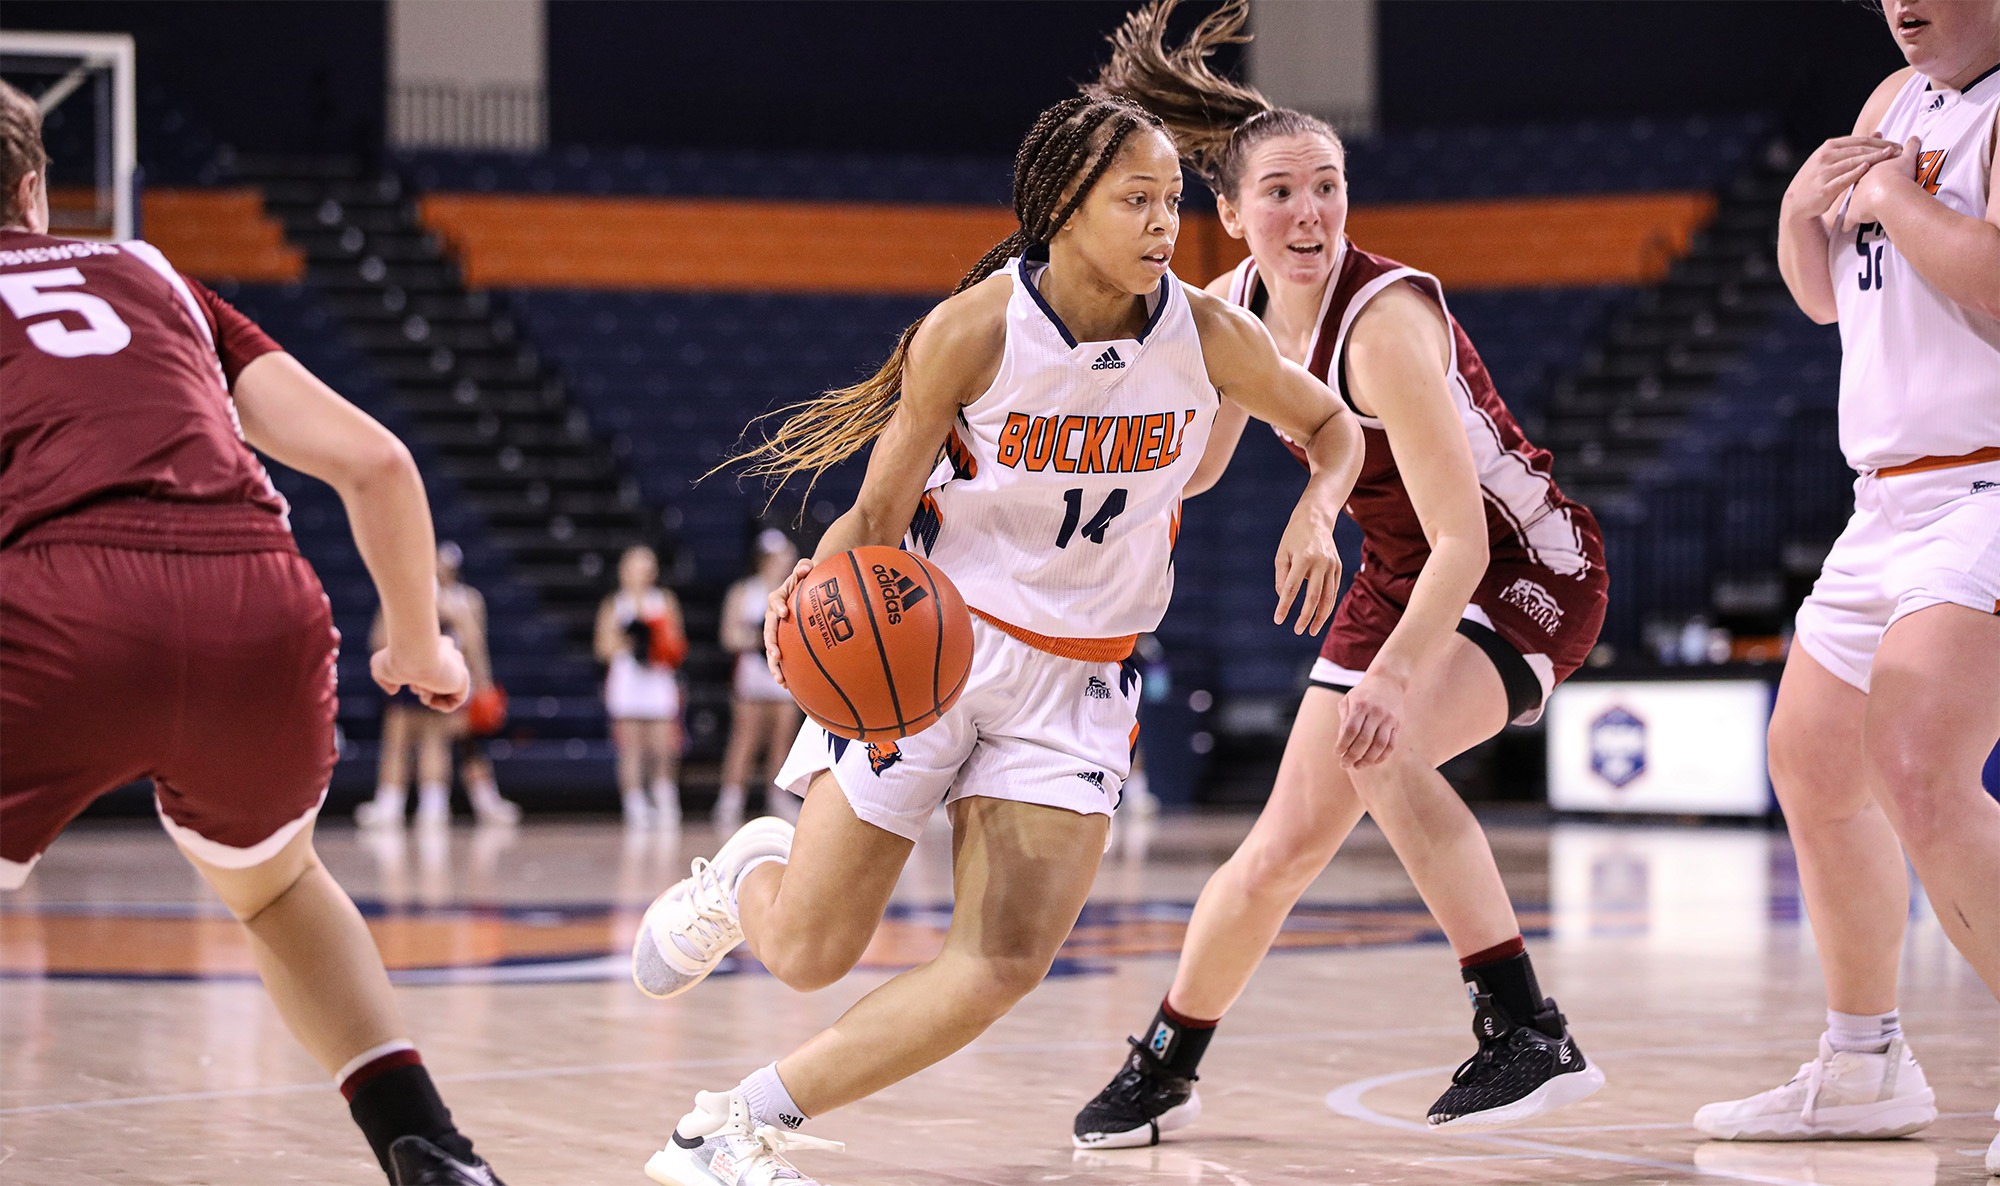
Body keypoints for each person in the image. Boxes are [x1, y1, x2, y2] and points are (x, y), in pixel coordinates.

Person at [627, 94, 1363, 1186]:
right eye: (1137, 200)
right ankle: (745, 882)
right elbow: (874, 519)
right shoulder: (973, 329)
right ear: (1063, 205)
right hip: (930, 652)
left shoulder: (1205, 334)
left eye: (1170, 199)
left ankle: (730, 1125)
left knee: (1001, 963)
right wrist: (811, 614)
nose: (1165, 223)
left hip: (1080, 678)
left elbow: (1332, 425)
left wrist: (1313, 511)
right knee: (807, 951)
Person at [1070, 0, 1611, 1147]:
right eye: (1279, 191)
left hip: (1524, 567)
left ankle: (1524, 1028)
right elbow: (1198, 468)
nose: (1308, 209)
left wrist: (1391, 676)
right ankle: (1165, 1062)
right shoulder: (1228, 317)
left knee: (1388, 746)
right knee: (1275, 848)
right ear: (1230, 216)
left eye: (1326, 184)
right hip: (1403, 575)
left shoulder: (1382, 320)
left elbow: (1463, 540)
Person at [0, 80, 505, 1185]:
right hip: (260, 601)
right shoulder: (153, 275)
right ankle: (432, 1149)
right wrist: (420, 646)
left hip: (61, 602)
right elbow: (376, 462)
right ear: (34, 192)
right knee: (276, 887)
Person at [1693, 2, 2000, 1171]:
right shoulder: (1888, 102)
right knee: (1812, 765)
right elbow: (1825, 297)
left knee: (1918, 768)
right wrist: (1793, 215)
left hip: (1983, 485)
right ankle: (1863, 1066)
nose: (1898, 1)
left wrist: (1894, 203)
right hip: (1884, 499)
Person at [357, 541, 520, 827]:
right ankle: (389, 803)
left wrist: (483, 683)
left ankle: (436, 805)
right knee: (397, 738)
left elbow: (476, 645)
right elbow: (379, 639)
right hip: (408, 677)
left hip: (449, 676)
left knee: (445, 742)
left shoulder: (467, 600)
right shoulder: (400, 594)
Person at [713, 528, 806, 831]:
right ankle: (731, 797)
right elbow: (729, 635)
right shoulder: (745, 591)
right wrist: (757, 637)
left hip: (783, 673)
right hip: (752, 673)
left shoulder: (794, 592)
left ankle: (777, 796)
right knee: (746, 738)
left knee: (783, 737)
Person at [596, 544, 689, 828]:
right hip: (628, 680)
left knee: (663, 746)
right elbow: (602, 647)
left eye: (646, 568)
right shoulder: (614, 603)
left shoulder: (665, 600)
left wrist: (657, 641)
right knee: (631, 746)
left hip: (657, 679)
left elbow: (678, 643)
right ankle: (634, 802)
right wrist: (629, 639)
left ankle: (664, 796)